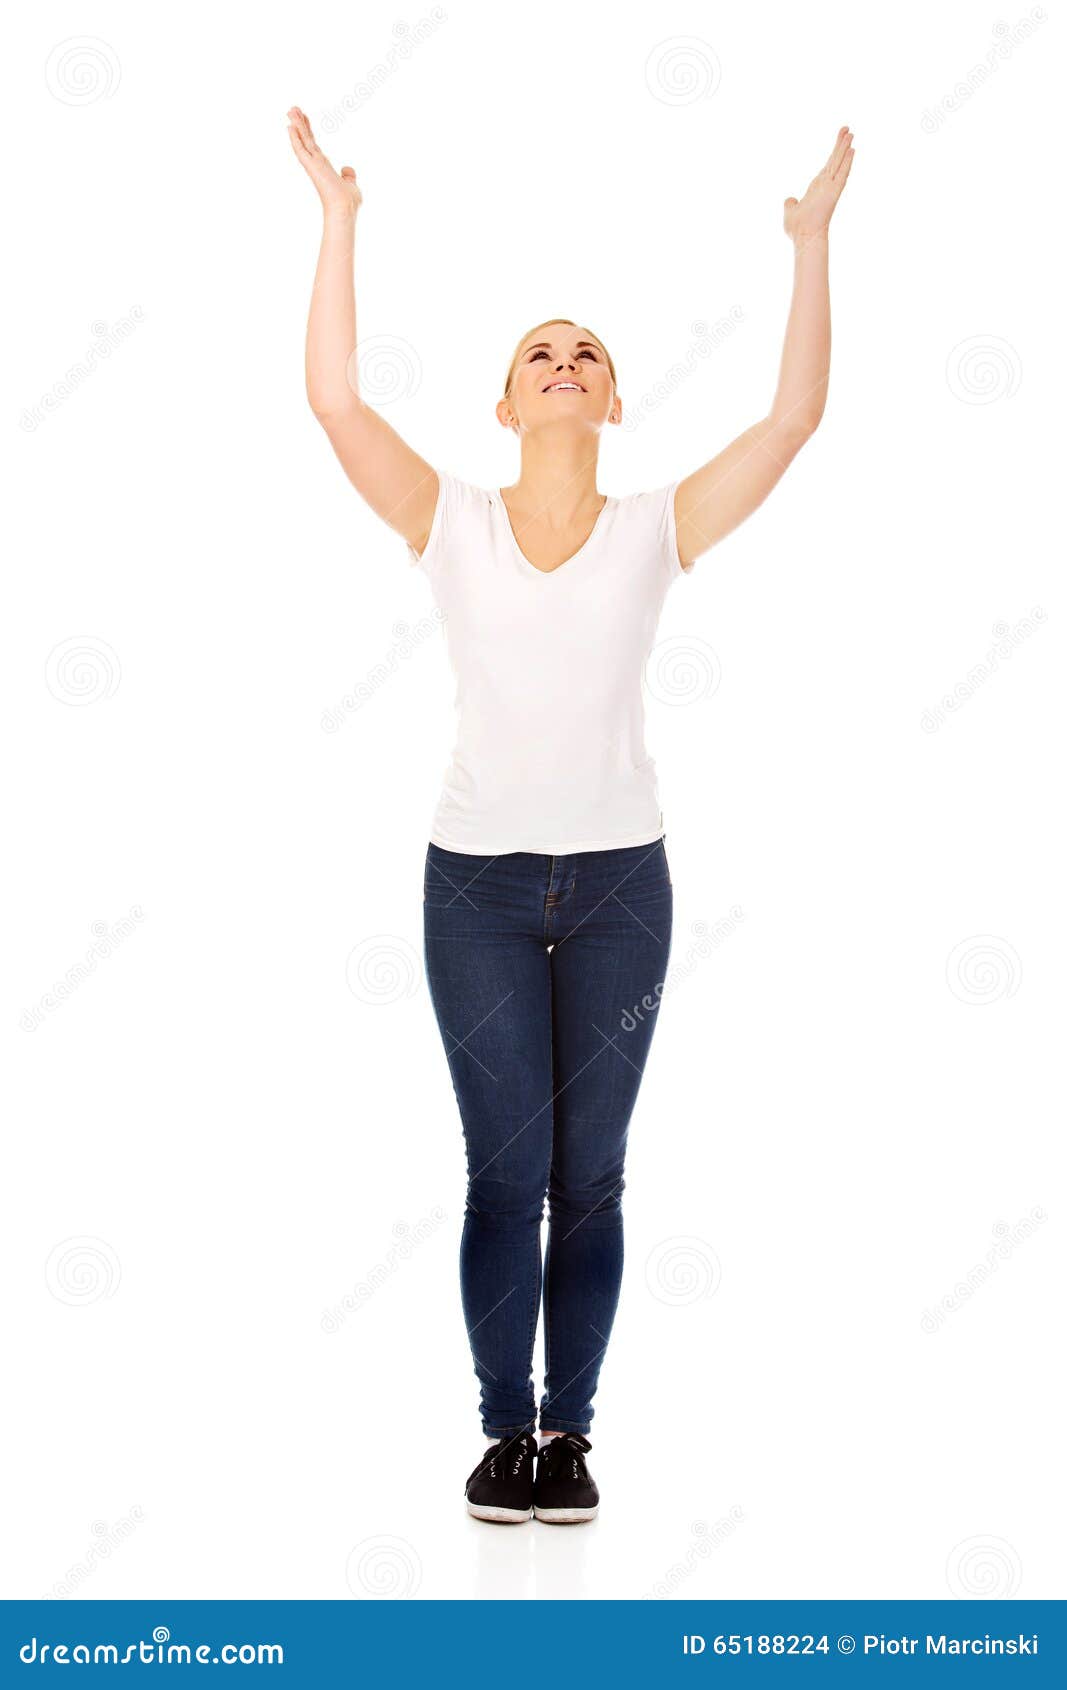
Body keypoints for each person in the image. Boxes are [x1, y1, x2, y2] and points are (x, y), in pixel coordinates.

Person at [287, 106, 854, 1523]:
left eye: (584, 355)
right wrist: (340, 222)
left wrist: (811, 245)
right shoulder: (451, 517)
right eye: (540, 352)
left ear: (609, 404)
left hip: (617, 888)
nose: (563, 363)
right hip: (474, 887)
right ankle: (500, 1433)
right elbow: (338, 407)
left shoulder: (660, 522)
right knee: (509, 1169)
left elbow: (792, 421)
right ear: (504, 403)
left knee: (591, 1179)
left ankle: (572, 1437)